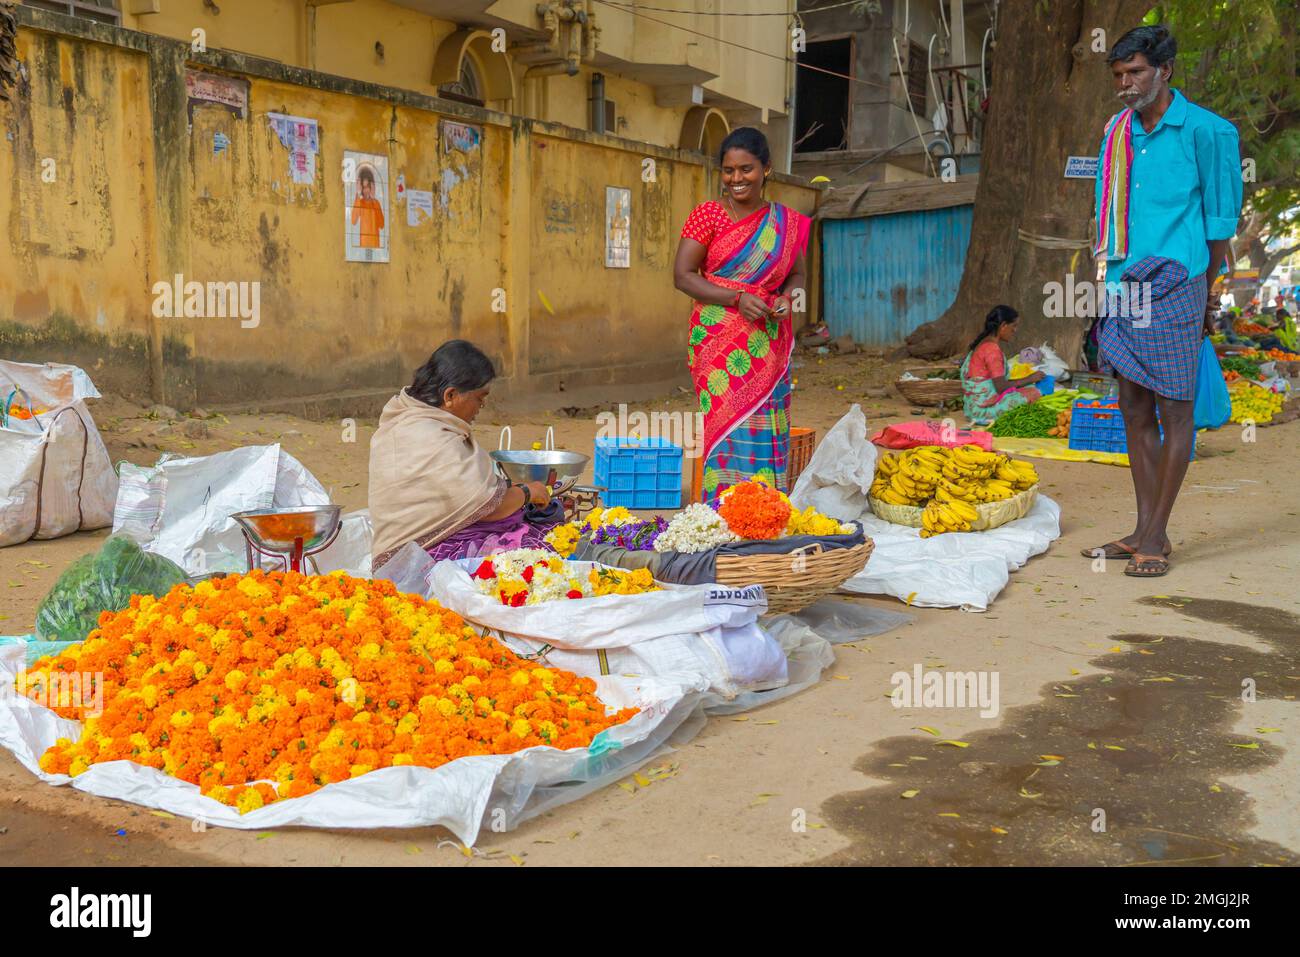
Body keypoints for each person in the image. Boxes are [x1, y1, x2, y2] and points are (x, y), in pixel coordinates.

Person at [1086, 24, 1242, 577]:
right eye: (1119, 75)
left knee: (1176, 410)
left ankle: (1155, 534)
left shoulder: (1208, 132)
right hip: (1124, 283)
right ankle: (1145, 527)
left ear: (1165, 71)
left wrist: (1210, 293)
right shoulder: (1117, 134)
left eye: (1136, 73)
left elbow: (1221, 220)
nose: (1126, 84)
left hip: (1179, 280)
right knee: (1133, 406)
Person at [673, 127, 810, 501]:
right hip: (720, 345)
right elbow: (682, 276)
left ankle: (764, 508)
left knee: (766, 428)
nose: (736, 179)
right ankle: (724, 508)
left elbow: (797, 275)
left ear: (766, 169)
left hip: (768, 339)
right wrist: (735, 299)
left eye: (746, 169)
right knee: (728, 426)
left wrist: (787, 299)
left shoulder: (785, 222)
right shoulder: (708, 216)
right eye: (728, 171)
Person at [368, 340, 561, 568]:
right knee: (540, 552)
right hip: (415, 562)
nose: (482, 405)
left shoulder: (407, 419)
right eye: (479, 397)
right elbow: (488, 507)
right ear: (450, 396)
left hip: (411, 551)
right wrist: (528, 492)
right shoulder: (429, 436)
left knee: (544, 529)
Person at [958, 305, 1044, 426]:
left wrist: (1027, 381)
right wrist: (1030, 378)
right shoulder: (991, 349)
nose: (1015, 330)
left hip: (972, 407)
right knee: (1034, 393)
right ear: (1003, 325)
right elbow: (1001, 387)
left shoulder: (983, 343)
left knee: (1028, 387)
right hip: (982, 410)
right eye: (1013, 326)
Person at [351, 166, 385, 249]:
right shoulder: (360, 202)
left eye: (367, 187)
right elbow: (353, 221)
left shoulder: (376, 203)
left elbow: (382, 225)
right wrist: (358, 194)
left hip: (375, 245)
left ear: (372, 186)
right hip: (364, 245)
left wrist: (373, 199)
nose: (365, 191)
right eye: (363, 187)